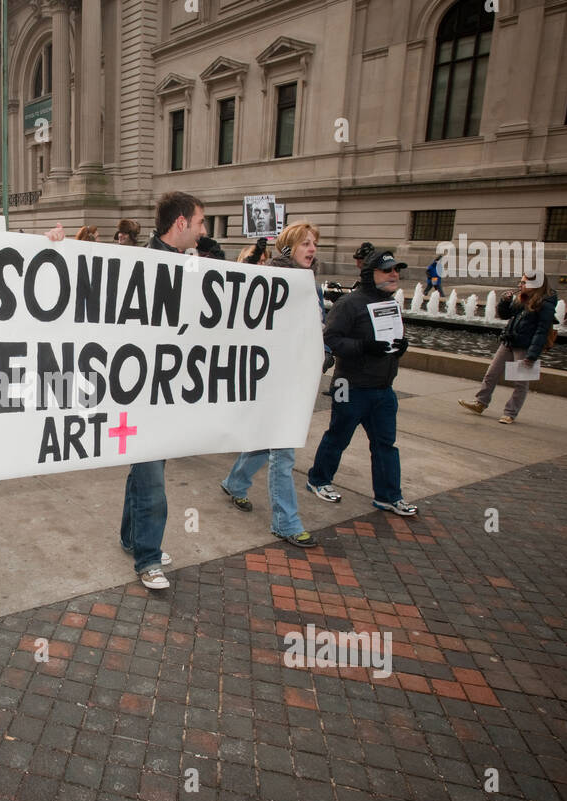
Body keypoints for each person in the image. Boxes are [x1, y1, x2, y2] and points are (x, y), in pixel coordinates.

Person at [220, 222, 325, 548]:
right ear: (287, 248)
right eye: (305, 243)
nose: (312, 249)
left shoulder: (309, 284)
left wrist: (324, 351)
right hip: (270, 379)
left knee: (268, 442)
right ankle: (286, 522)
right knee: (284, 451)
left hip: (295, 379)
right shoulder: (268, 279)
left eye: (314, 243)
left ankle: (234, 483)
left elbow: (314, 328)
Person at [123, 191, 207, 591]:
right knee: (151, 475)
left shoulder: (193, 267)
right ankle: (148, 557)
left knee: (144, 468)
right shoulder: (137, 264)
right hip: (141, 391)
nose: (204, 231)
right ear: (181, 224)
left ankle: (132, 538)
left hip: (169, 388)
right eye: (201, 223)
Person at [306, 249, 419, 517]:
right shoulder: (350, 304)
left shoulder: (391, 304)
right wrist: (365, 346)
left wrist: (400, 347)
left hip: (382, 388)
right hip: (351, 386)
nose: (394, 275)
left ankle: (389, 496)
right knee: (338, 436)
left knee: (385, 444)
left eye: (396, 270)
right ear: (371, 274)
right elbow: (331, 338)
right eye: (388, 270)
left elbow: (392, 339)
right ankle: (319, 479)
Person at [459, 271, 558, 424]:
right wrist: (505, 301)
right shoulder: (523, 298)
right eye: (521, 282)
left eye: (524, 283)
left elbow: (542, 331)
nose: (520, 285)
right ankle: (480, 403)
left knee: (520, 382)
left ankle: (510, 413)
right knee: (491, 374)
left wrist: (532, 355)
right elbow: (505, 315)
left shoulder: (545, 304)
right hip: (509, 342)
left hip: (525, 346)